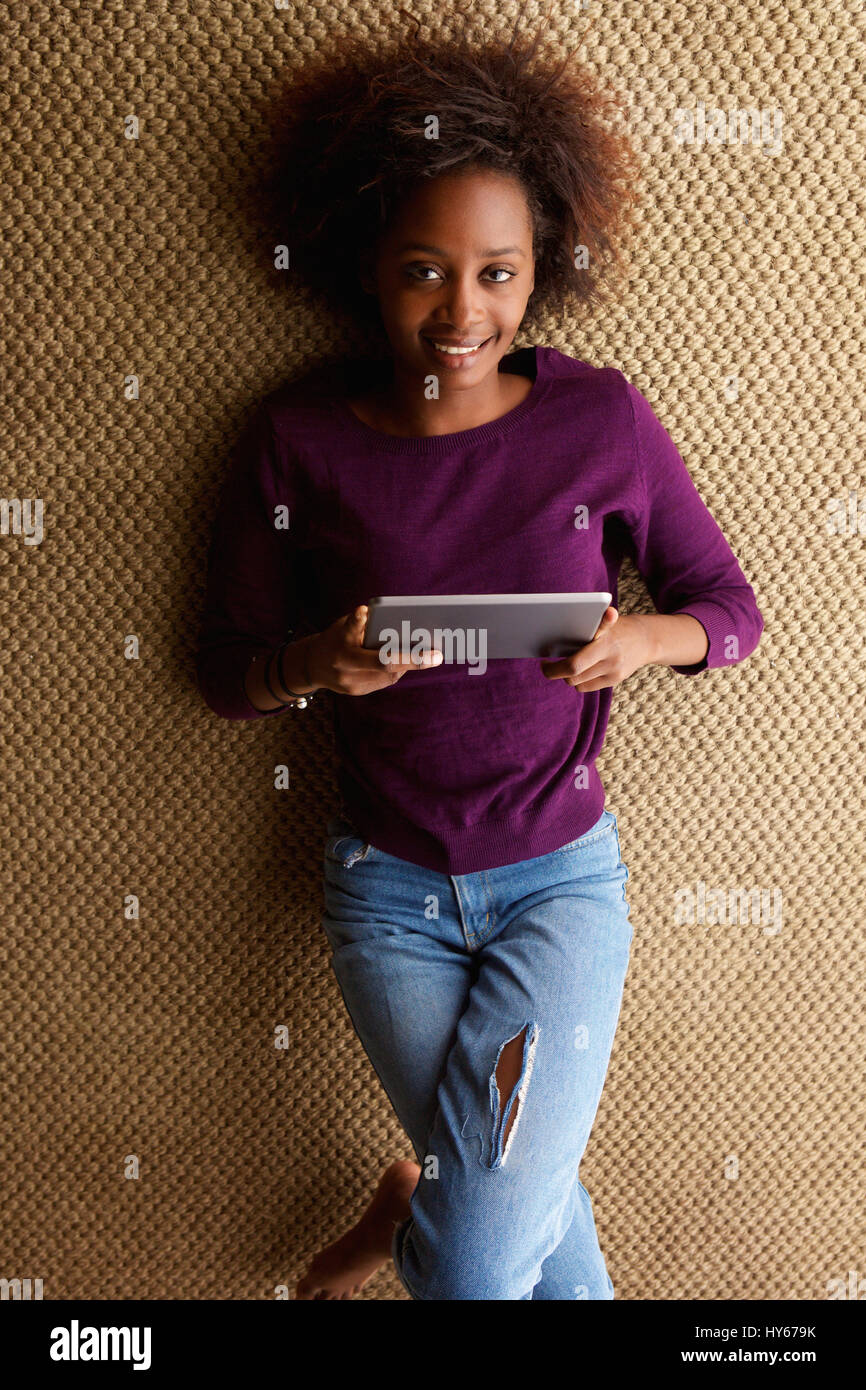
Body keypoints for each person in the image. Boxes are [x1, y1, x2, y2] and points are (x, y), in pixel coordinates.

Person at [195, 7, 764, 1300]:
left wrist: (640, 641)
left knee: (477, 1253)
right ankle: (422, 1215)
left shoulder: (599, 419)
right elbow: (223, 670)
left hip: (560, 883)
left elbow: (730, 609)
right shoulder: (294, 440)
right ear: (367, 267)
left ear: (538, 271)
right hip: (385, 896)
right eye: (424, 271)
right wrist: (311, 665)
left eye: (498, 273)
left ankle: (405, 1228)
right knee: (515, 1221)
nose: (464, 311)